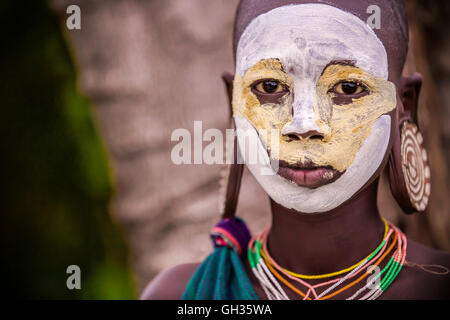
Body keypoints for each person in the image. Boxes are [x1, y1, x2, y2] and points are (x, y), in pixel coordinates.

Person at [141, 0, 450, 300]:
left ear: (403, 106)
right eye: (270, 87)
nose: (303, 125)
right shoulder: (180, 295)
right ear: (233, 102)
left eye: (348, 88)